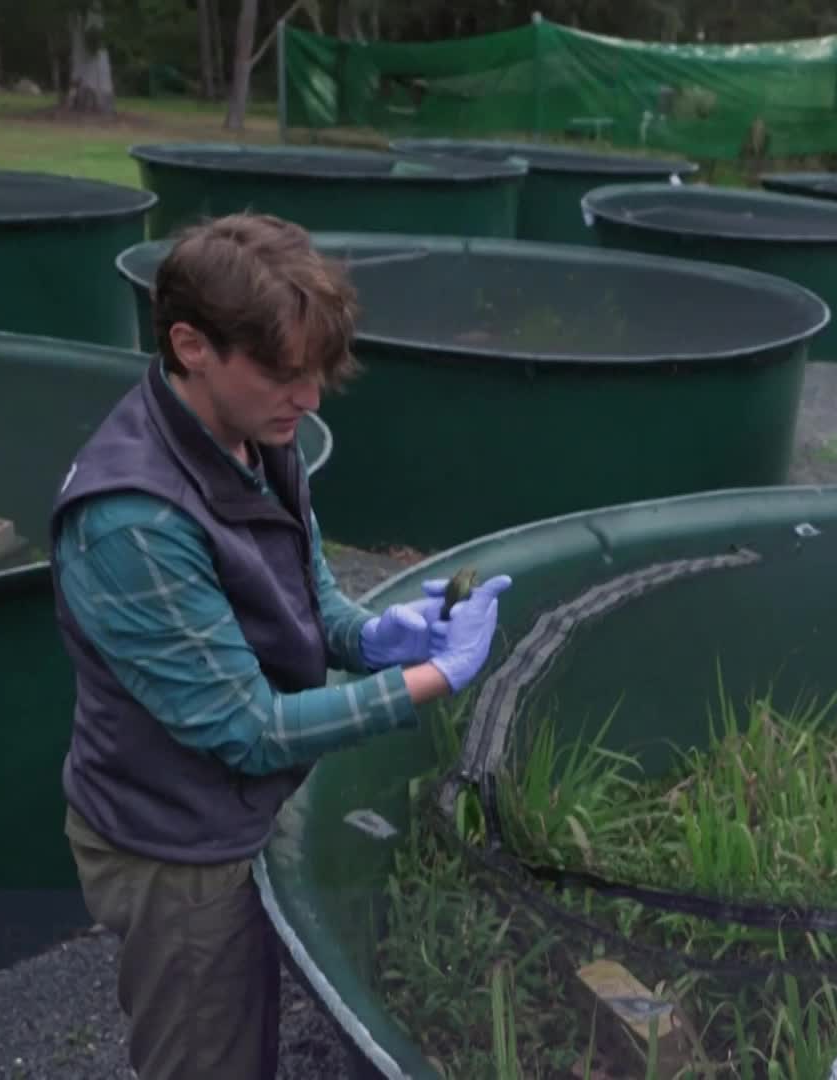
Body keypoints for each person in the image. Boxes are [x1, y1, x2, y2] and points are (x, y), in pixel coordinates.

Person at [47, 211, 512, 1079]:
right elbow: (247, 730)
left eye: (318, 375)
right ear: (191, 344)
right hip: (176, 846)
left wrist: (373, 636)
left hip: (234, 807)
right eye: (284, 375)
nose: (310, 398)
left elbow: (309, 594)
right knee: (208, 1055)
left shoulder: (254, 435)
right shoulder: (132, 522)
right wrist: (427, 679)